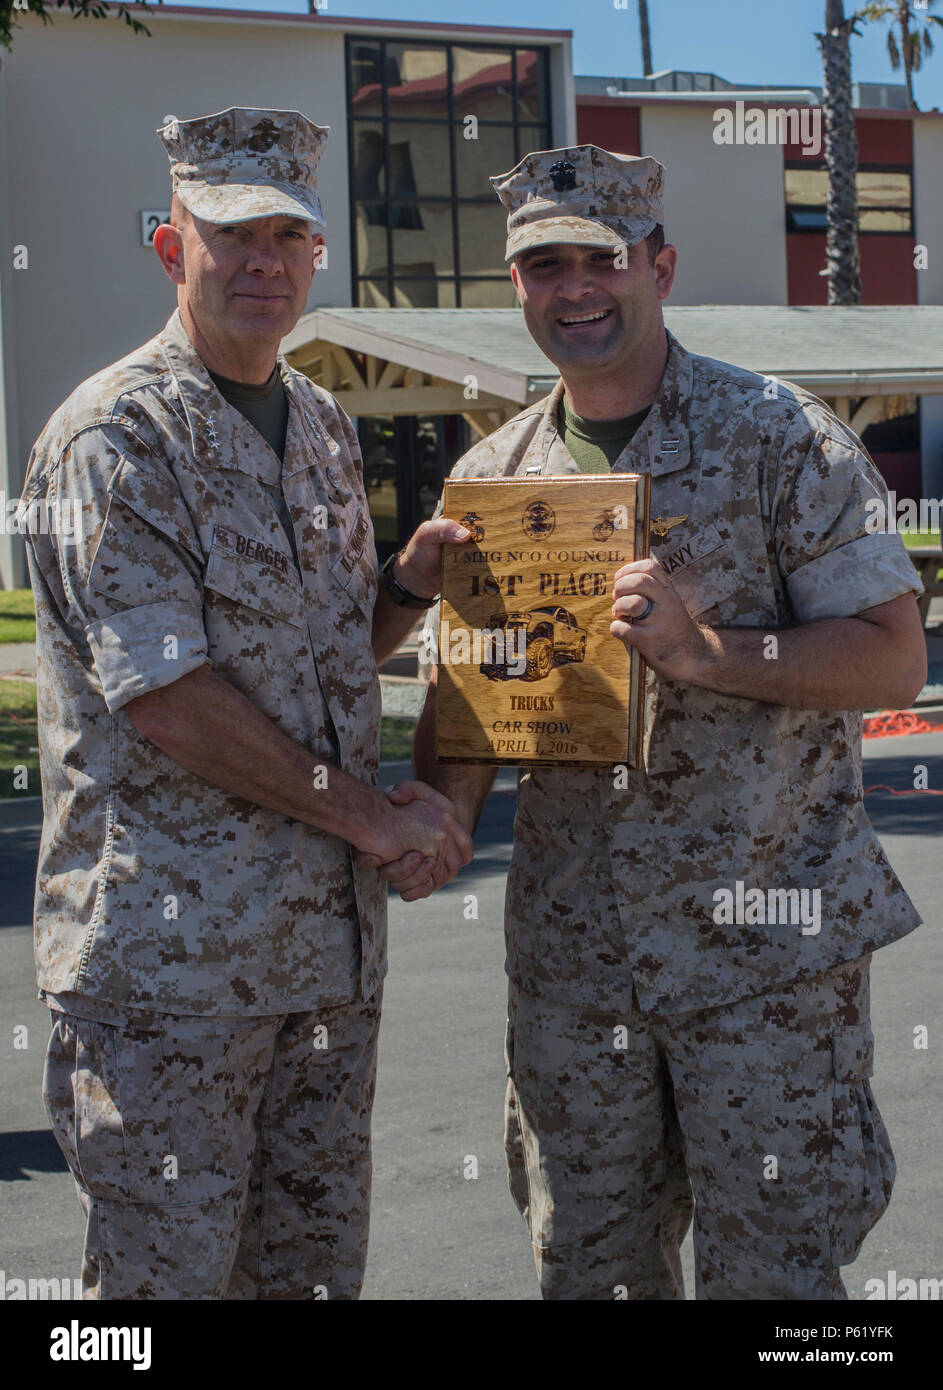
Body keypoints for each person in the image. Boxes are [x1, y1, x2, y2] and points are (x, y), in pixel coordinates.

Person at [373, 144, 928, 1299]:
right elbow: (475, 702)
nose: (575, 287)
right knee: (591, 1271)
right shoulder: (494, 477)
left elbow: (891, 657)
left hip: (765, 960)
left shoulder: (779, 437)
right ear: (517, 288)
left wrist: (707, 652)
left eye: (602, 258)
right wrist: (438, 817)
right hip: (577, 970)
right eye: (544, 265)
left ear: (659, 266)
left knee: (776, 1280)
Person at [17, 105, 472, 1300]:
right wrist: (377, 822)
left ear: (319, 253)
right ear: (172, 249)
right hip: (171, 982)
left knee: (312, 1279)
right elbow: (167, 701)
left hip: (323, 963)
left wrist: (405, 591)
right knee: (150, 1299)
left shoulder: (319, 427)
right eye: (231, 235)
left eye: (289, 234)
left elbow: (318, 661)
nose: (264, 260)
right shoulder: (114, 436)